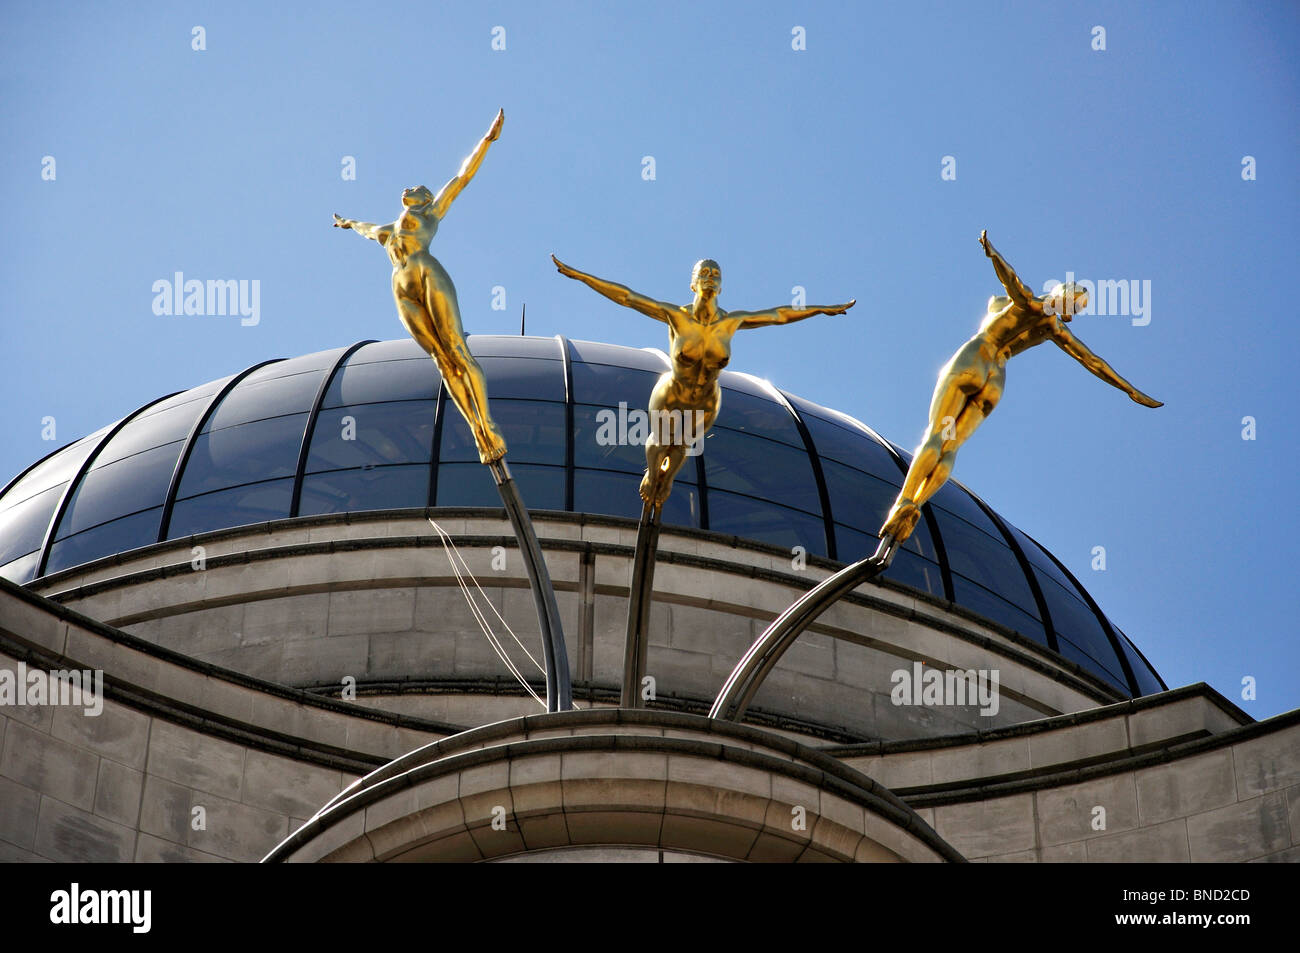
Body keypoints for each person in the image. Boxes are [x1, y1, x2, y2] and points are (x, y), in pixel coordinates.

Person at [879, 230, 1162, 548]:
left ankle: (904, 500)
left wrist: (991, 251)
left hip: (977, 358)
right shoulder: (1055, 329)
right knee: (951, 447)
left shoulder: (1029, 303)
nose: (1072, 313)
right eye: (1075, 307)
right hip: (996, 381)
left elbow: (1009, 279)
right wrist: (1129, 390)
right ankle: (919, 503)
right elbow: (1093, 361)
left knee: (935, 435)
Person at [552, 255, 855, 505]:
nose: (710, 277)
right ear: (693, 283)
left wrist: (821, 309)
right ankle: (653, 473)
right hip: (671, 392)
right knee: (660, 443)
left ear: (720, 285)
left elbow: (779, 315)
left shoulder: (731, 322)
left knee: (683, 443)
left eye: (715, 274)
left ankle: (666, 480)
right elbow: (627, 297)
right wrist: (580, 276)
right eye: (704, 273)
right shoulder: (676, 316)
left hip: (707, 398)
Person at [334, 109, 507, 464]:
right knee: (441, 361)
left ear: (426, 198)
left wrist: (487, 140)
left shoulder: (431, 214)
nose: (408, 189)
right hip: (400, 287)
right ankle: (475, 428)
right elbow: (365, 227)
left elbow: (462, 177)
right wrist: (348, 223)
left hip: (426, 272)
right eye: (408, 188)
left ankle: (487, 421)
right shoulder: (387, 232)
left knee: (456, 349)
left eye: (417, 188)